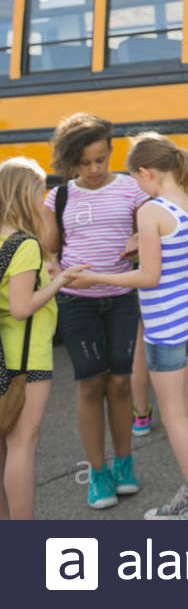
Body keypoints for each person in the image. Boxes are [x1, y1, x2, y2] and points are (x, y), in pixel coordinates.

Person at [70, 133, 188, 519]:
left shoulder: (151, 211)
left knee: (172, 417)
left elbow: (150, 277)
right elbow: (180, 257)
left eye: (135, 179)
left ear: (146, 171)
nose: (136, 187)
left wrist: (99, 278)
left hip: (165, 322)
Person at [40, 113, 147, 510]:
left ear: (111, 152)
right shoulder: (59, 197)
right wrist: (53, 266)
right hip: (76, 302)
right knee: (90, 384)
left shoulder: (133, 190)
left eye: (100, 160)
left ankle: (124, 463)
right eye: (84, 164)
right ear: (71, 163)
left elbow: (149, 230)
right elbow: (50, 248)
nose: (94, 170)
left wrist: (138, 237)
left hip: (121, 297)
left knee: (121, 383)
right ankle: (97, 472)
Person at [0, 157, 85, 519]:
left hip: (3, 356)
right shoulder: (24, 245)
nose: (43, 197)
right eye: (39, 190)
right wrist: (58, 283)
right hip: (25, 358)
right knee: (22, 443)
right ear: (24, 194)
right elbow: (21, 308)